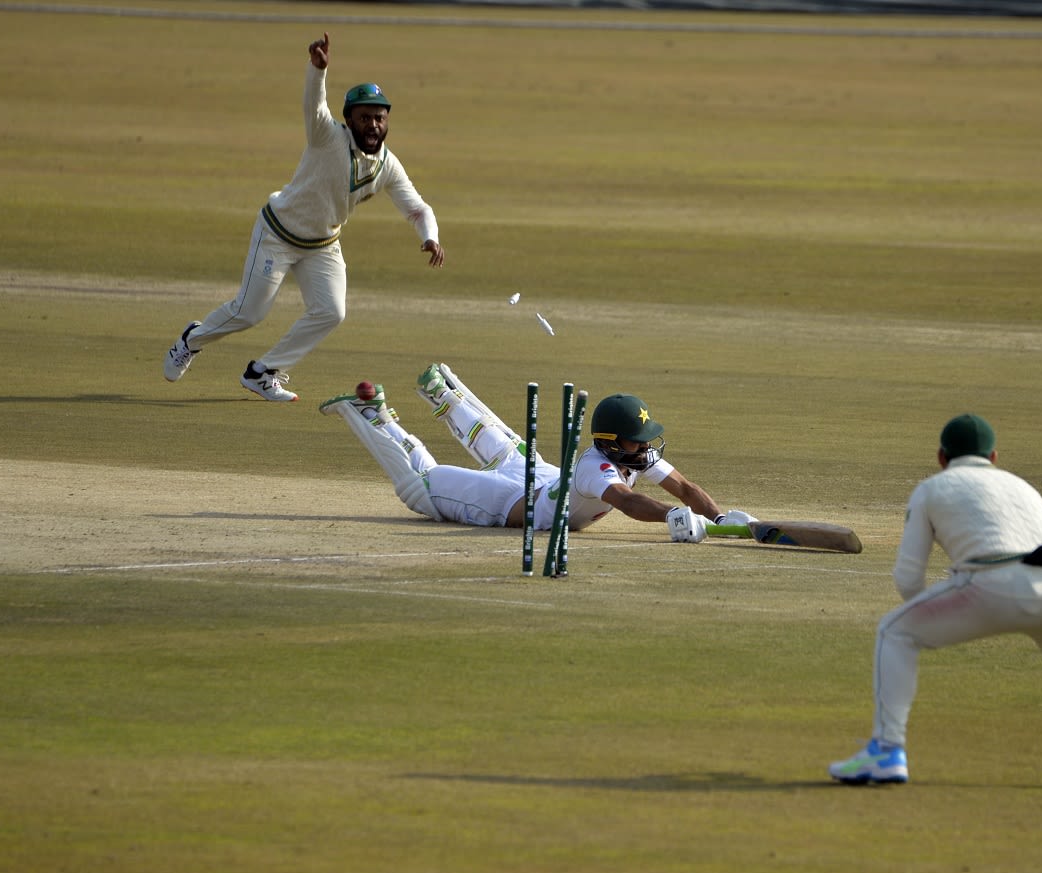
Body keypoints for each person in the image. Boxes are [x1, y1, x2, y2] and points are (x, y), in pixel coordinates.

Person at [829, 414, 1042, 791]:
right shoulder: (1022, 486)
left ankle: (887, 750)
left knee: (895, 632)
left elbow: (908, 579)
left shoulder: (932, 488)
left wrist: (935, 620)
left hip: (993, 585)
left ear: (941, 457)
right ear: (994, 456)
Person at [162, 32, 444, 402]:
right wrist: (318, 70)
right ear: (349, 120)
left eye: (379, 117)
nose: (373, 125)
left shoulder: (388, 165)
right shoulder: (325, 136)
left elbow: (418, 208)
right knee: (249, 314)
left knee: (331, 311)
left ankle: (263, 372)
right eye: (364, 118)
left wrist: (430, 235)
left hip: (322, 244)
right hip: (277, 234)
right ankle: (191, 340)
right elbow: (315, 104)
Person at [317, 362, 755, 541]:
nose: (646, 446)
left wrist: (716, 516)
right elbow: (628, 501)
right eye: (638, 438)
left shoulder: (636, 455)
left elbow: (685, 487)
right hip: (510, 505)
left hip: (545, 480)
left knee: (504, 445)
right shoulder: (596, 467)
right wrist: (669, 518)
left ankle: (444, 392)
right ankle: (374, 415)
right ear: (611, 442)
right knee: (420, 488)